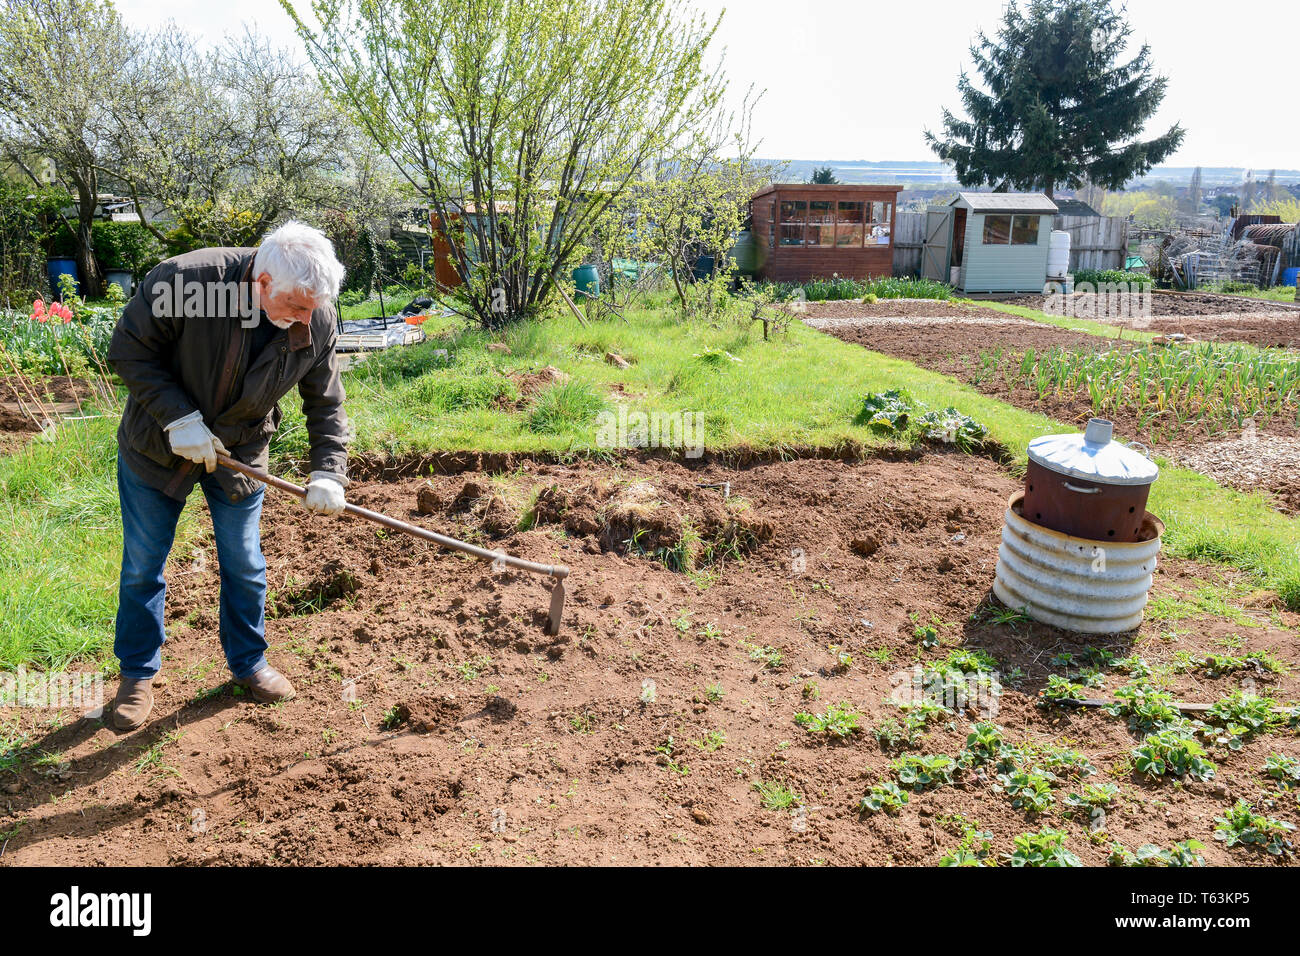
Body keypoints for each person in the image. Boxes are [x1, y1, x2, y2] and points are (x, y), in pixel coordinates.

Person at [106, 221, 351, 730]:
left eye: (314, 307)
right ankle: (136, 674)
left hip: (241, 447)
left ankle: (248, 663)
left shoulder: (317, 316)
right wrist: (177, 417)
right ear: (261, 283)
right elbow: (129, 352)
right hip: (157, 444)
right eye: (296, 306)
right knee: (143, 565)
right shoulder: (184, 283)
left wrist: (329, 471)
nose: (306, 317)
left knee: (244, 562)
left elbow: (325, 404)